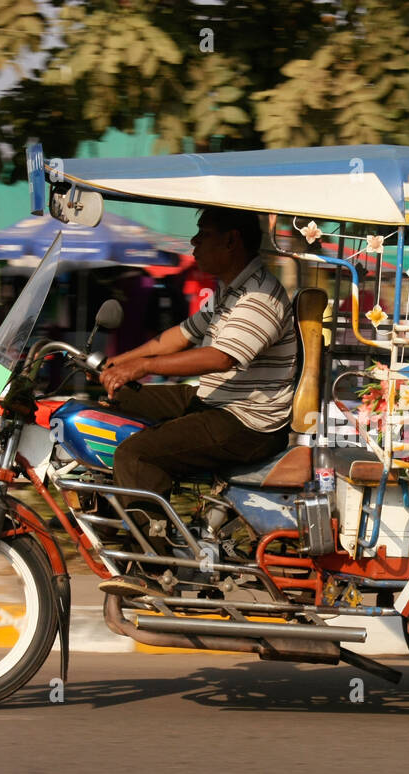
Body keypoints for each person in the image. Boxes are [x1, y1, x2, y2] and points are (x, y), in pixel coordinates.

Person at [99, 207, 296, 550]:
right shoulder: (231, 290)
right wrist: (119, 362)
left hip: (247, 422)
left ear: (231, 241)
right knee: (118, 399)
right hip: (218, 400)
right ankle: (114, 509)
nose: (194, 241)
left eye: (203, 233)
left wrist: (144, 367)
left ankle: (151, 562)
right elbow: (183, 333)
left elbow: (220, 358)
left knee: (137, 454)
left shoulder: (260, 296)